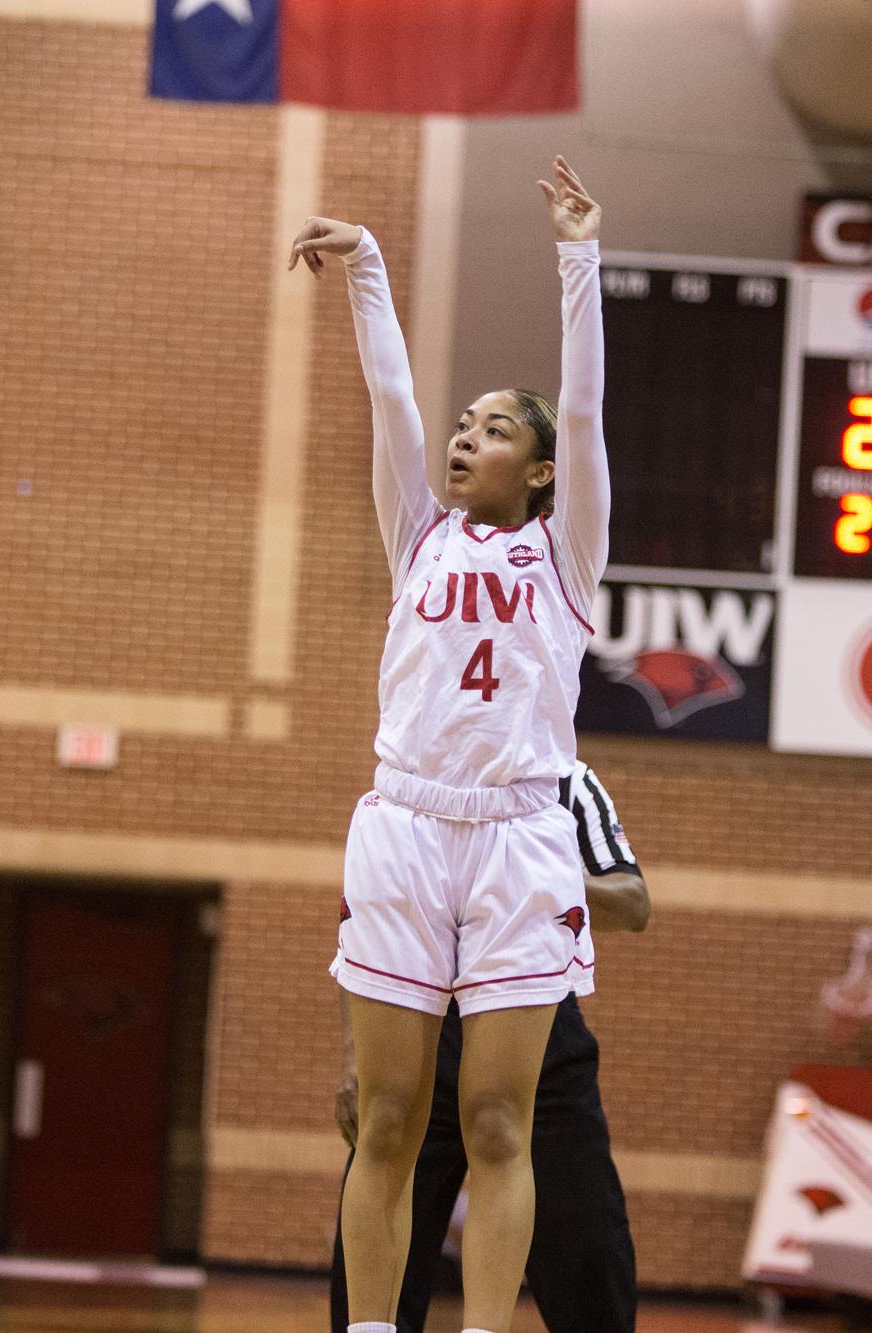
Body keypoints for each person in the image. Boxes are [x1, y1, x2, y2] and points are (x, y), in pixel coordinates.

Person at [287, 155, 606, 1333]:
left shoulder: (567, 553)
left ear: (540, 469)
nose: (463, 439)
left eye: (491, 429)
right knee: (385, 1119)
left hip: (517, 838)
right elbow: (391, 404)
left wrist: (578, 257)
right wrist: (367, 268)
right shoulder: (416, 535)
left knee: (497, 1123)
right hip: (406, 826)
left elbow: (585, 409)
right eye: (462, 426)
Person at [328, 760, 647, 1333]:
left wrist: (540, 878)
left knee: (592, 1266)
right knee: (370, 1269)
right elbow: (368, 939)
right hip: (426, 1036)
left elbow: (633, 901)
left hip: (537, 1041)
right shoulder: (414, 781)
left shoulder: (567, 781)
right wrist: (354, 1056)